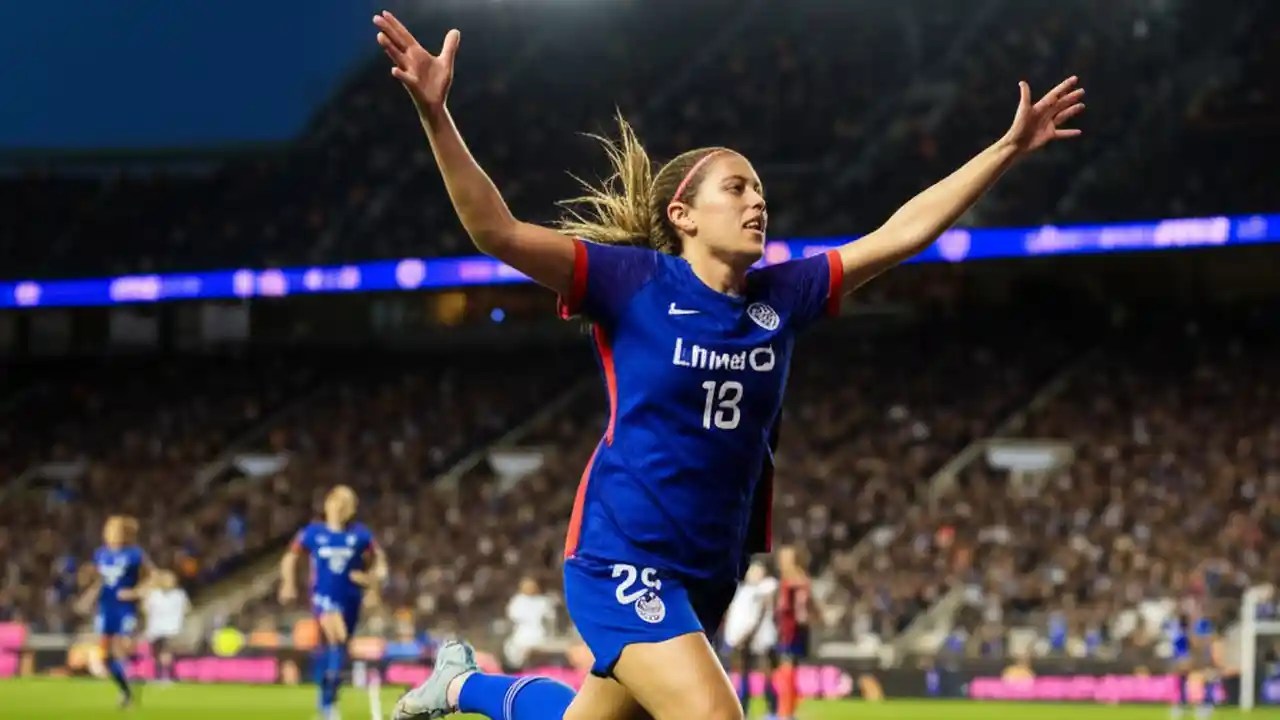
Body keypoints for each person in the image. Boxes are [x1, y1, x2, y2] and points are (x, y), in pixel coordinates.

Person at [372, 9, 1085, 720]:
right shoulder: (635, 282)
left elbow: (900, 234)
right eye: (737, 188)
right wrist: (436, 115)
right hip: (622, 554)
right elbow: (495, 230)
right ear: (683, 215)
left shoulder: (785, 295)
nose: (757, 202)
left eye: (760, 192)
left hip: (710, 572)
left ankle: (461, 685)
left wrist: (1006, 149)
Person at [280, 485, 387, 720]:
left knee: (338, 649)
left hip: (351, 598)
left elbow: (380, 564)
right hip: (323, 597)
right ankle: (328, 705)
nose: (338, 508)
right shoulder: (313, 533)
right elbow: (290, 556)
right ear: (327, 505)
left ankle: (326, 699)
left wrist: (370, 582)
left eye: (344, 504)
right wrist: (287, 583)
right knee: (336, 637)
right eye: (335, 503)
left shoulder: (360, 535)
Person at [77, 515, 151, 709]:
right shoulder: (101, 554)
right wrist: (88, 594)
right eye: (109, 531)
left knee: (122, 647)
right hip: (105, 607)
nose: (111, 534)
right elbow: (99, 581)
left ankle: (136, 675)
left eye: (115, 531)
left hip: (125, 608)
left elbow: (152, 578)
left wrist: (135, 592)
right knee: (105, 656)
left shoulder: (135, 554)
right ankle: (126, 690)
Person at [722, 561, 779, 718]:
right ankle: (744, 711)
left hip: (759, 639)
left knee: (766, 674)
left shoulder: (765, 588)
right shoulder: (742, 590)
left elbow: (760, 612)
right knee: (741, 676)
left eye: (758, 571)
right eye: (752, 571)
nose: (754, 574)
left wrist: (747, 636)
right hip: (738, 639)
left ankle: (773, 711)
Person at [773, 546, 813, 720]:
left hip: (792, 631)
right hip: (790, 629)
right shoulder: (796, 579)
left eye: (786, 558)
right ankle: (788, 711)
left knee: (788, 671)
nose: (782, 561)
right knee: (788, 671)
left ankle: (786, 712)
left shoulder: (794, 580)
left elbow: (791, 607)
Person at [143, 569, 190, 685]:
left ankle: (165, 675)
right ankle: (165, 675)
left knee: (165, 652)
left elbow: (187, 608)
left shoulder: (178, 595)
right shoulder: (154, 594)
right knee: (158, 653)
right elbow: (145, 609)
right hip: (156, 629)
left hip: (170, 628)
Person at [505, 577, 557, 671]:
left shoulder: (543, 601)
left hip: (538, 635)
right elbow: (513, 617)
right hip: (521, 635)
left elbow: (550, 620)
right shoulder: (517, 600)